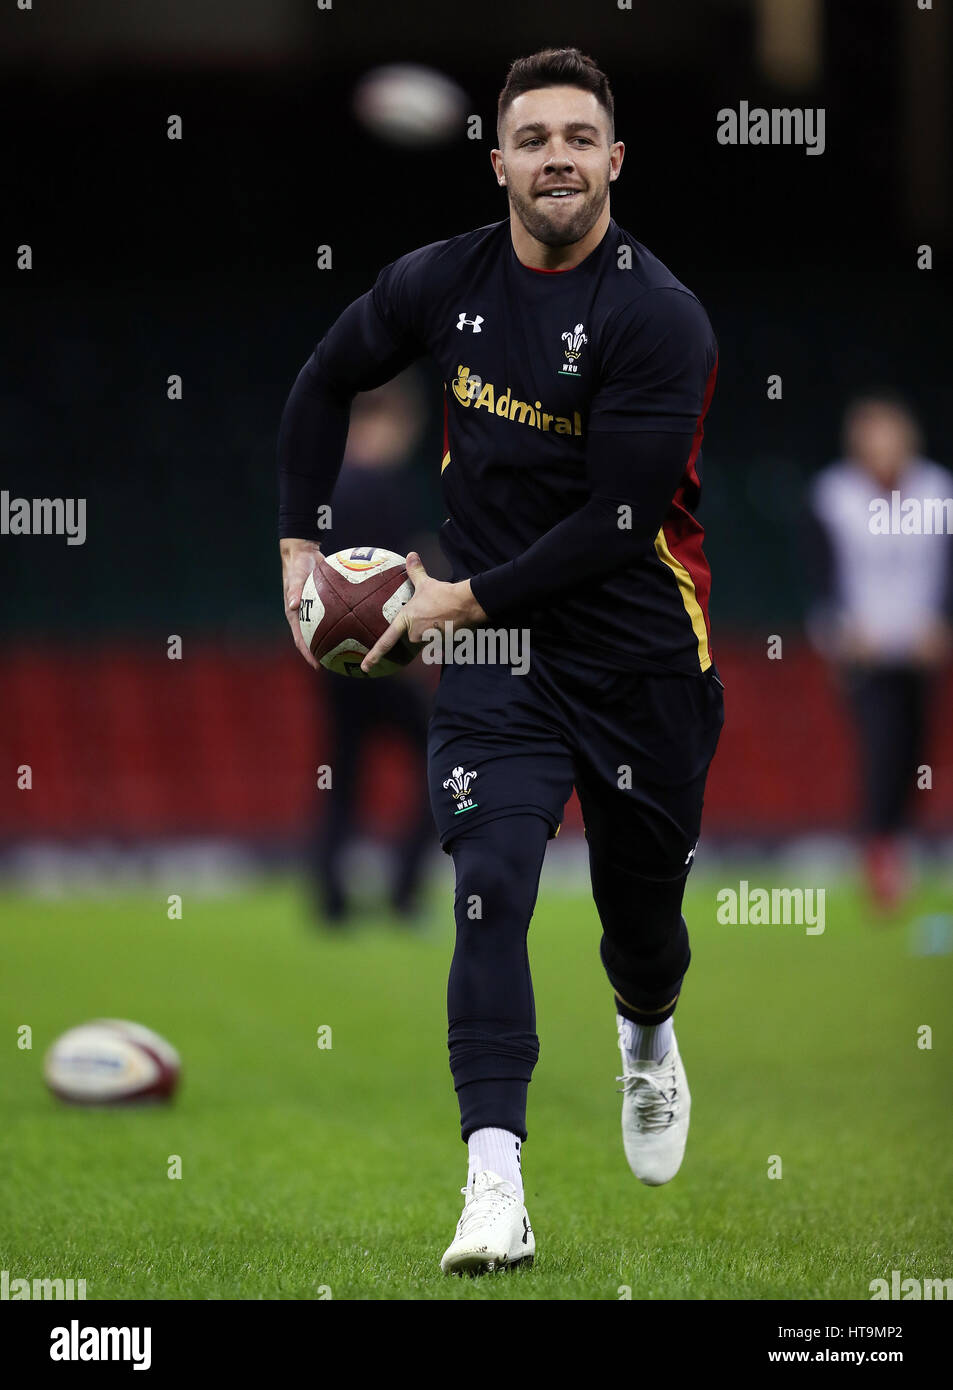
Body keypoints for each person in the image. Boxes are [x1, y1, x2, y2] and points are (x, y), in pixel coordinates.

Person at [278, 47, 724, 1275]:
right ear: (499, 163)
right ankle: (493, 1186)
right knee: (490, 887)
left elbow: (619, 524)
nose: (557, 158)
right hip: (497, 661)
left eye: (579, 137)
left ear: (614, 160)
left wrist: (450, 596)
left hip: (638, 658)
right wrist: (295, 552)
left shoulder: (657, 314)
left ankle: (645, 1034)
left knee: (644, 935)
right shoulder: (441, 280)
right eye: (533, 139)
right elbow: (323, 381)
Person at [807, 395, 953, 911]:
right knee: (881, 746)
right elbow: (821, 576)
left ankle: (898, 843)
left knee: (917, 749)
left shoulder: (937, 490)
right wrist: (842, 631)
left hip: (919, 649)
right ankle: (879, 853)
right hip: (865, 652)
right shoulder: (835, 494)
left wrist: (941, 623)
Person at [311, 374, 437, 924]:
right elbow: (405, 580)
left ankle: (332, 903)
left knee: (342, 777)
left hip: (333, 659)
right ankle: (405, 893)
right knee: (442, 765)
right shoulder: (383, 486)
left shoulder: (326, 487)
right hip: (383, 659)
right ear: (395, 420)